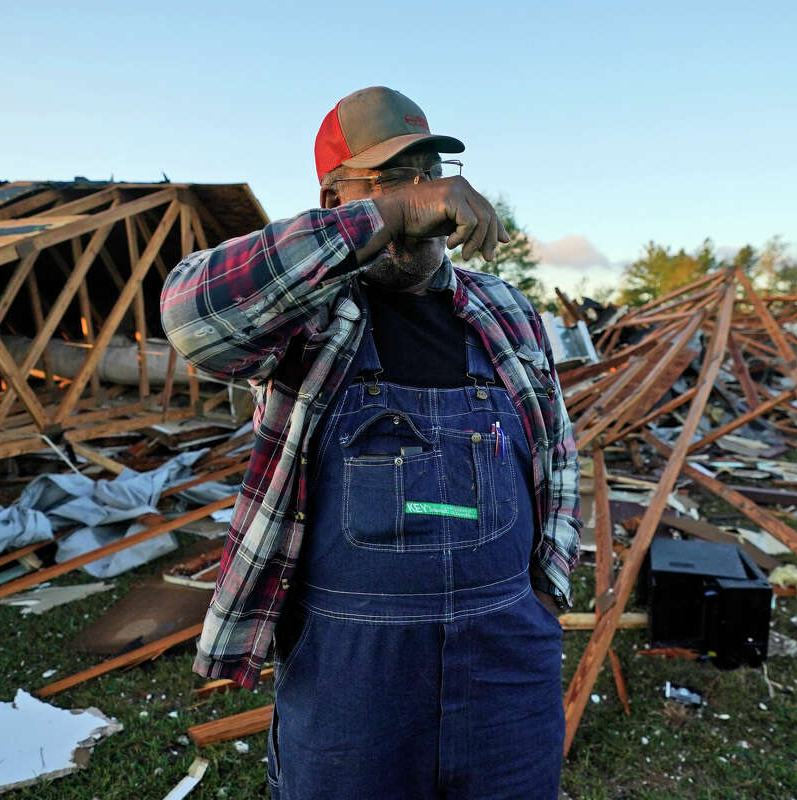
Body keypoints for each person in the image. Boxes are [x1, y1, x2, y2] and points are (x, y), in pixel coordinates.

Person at [161, 86, 582, 799]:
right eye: (391, 178)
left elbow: (559, 452)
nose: (424, 195)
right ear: (336, 200)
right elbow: (191, 314)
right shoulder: (307, 315)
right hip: (352, 678)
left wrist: (547, 588)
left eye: (428, 172)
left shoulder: (504, 310)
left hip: (506, 667)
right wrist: (386, 218)